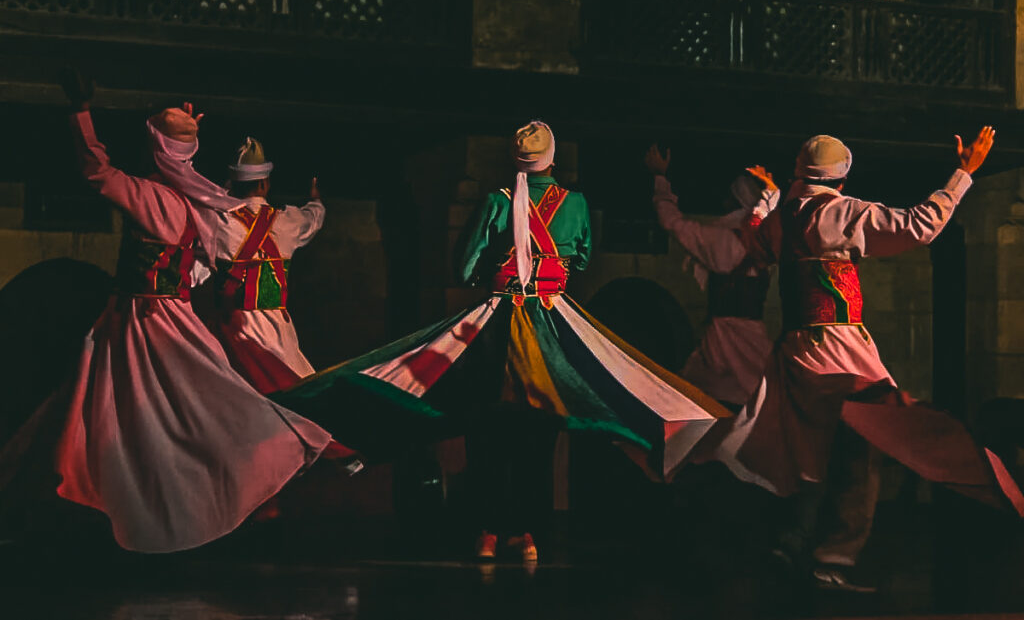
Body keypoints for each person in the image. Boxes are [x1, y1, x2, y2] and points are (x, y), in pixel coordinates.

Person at [273, 121, 730, 561]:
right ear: (551, 161)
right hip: (552, 322)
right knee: (543, 426)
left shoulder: (498, 200)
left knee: (486, 424)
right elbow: (584, 255)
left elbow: (466, 265)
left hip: (500, 321)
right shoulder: (575, 203)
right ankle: (527, 532)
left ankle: (488, 532)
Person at [0, 76, 332, 553]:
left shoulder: (155, 197)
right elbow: (204, 266)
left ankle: (129, 504)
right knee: (197, 408)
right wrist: (183, 139)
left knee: (116, 415)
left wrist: (80, 110)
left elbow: (95, 170)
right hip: (178, 318)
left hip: (141, 320)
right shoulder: (205, 203)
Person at [707, 128, 1024, 591]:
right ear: (840, 177)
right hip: (839, 350)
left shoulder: (783, 220)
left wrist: (772, 198)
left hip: (794, 353)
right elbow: (919, 225)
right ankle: (830, 558)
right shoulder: (843, 212)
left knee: (811, 450)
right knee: (873, 436)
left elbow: (758, 244)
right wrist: (963, 173)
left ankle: (794, 542)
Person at [645, 144, 780, 409]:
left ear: (733, 201)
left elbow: (672, 222)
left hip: (720, 341)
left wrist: (660, 177)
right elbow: (769, 216)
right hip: (755, 341)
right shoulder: (767, 241)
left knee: (703, 398)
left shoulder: (718, 239)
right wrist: (772, 192)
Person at [206, 137, 323, 394]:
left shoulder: (217, 223)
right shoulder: (289, 222)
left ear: (232, 184)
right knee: (291, 390)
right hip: (276, 332)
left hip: (232, 329)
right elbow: (313, 218)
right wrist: (315, 200)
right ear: (264, 183)